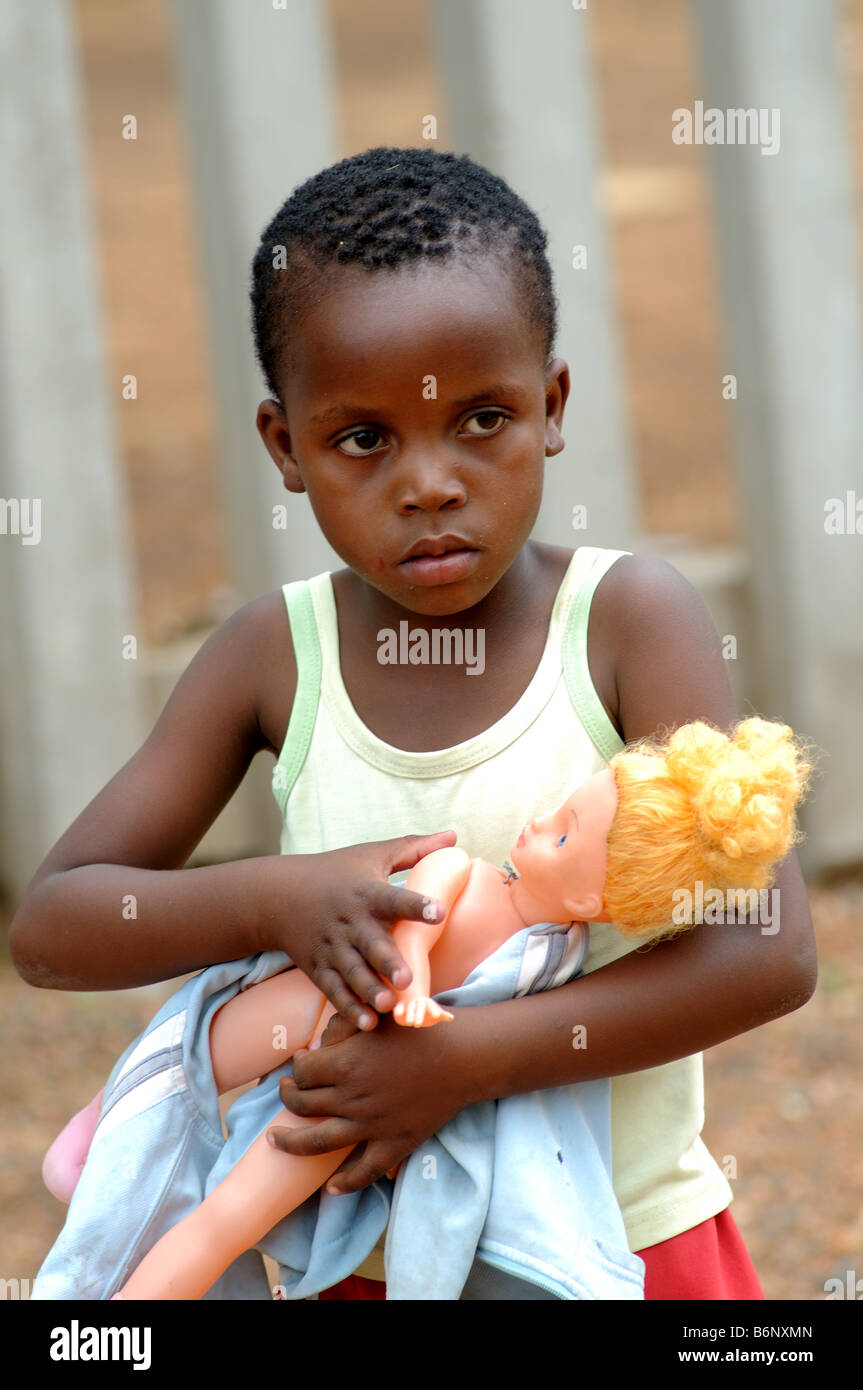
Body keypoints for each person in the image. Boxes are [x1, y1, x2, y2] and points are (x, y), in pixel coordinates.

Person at [11, 145, 818, 1301]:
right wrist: (277, 896)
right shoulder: (268, 654)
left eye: (481, 417)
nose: (427, 482)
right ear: (285, 448)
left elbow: (765, 948)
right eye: (362, 439)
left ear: (551, 407)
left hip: (615, 1241)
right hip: (345, 1254)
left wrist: (458, 1065)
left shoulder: (626, 622)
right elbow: (55, 921)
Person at [34, 718, 810, 1302]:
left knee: (228, 1215)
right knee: (197, 1051)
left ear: (589, 897)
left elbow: (518, 1058)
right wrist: (404, 984)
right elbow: (415, 920)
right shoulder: (460, 867)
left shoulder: (556, 959)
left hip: (358, 1092)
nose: (540, 820)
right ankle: (104, 1132)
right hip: (321, 996)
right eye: (558, 809)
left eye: (565, 830)